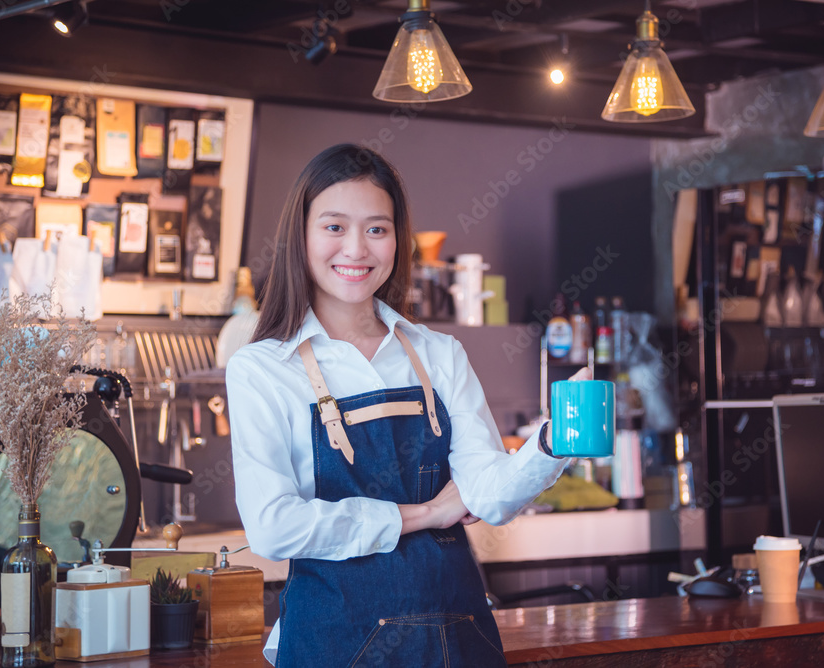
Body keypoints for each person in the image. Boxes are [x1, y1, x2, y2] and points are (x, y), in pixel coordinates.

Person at [226, 144, 587, 668]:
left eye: (377, 229)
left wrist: (555, 442)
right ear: (300, 236)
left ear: (398, 240)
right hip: (333, 643)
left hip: (456, 641)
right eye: (333, 227)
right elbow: (274, 529)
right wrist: (424, 515)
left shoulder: (440, 354)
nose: (357, 249)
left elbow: (488, 496)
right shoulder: (263, 368)